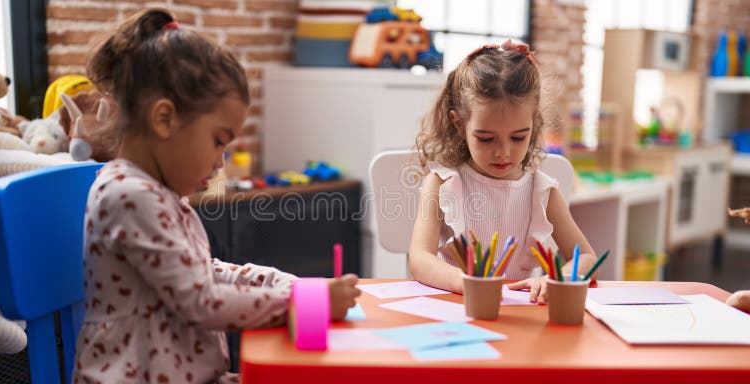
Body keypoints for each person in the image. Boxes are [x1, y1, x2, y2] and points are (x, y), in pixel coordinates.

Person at [73, 9, 360, 383]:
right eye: (218, 140)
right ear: (164, 119)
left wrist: (287, 284)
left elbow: (204, 271)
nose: (221, 159)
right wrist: (305, 302)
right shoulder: (129, 196)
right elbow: (201, 300)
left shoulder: (154, 192)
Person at [408, 40, 598, 303]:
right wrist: (463, 282)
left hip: (521, 317)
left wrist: (558, 279)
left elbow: (586, 257)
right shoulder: (442, 183)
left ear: (534, 125)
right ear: (459, 124)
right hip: (456, 311)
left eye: (518, 137)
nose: (503, 153)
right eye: (486, 139)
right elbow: (419, 259)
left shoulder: (542, 191)